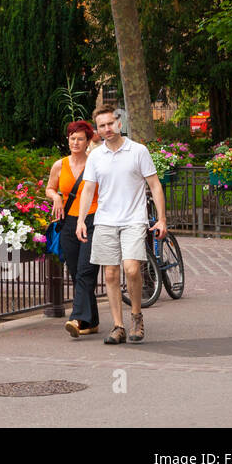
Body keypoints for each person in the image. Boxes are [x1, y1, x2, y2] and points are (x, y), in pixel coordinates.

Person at [76, 105, 167, 344]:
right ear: (98, 129)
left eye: (110, 123)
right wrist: (81, 220)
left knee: (131, 269)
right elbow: (88, 190)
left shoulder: (138, 151)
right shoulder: (95, 155)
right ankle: (118, 326)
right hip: (105, 220)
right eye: (102, 126)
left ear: (119, 123)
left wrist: (161, 218)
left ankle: (136, 316)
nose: (107, 129)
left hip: (133, 219)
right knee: (111, 274)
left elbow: (155, 185)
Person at [48, 120, 99, 337]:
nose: (75, 142)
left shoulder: (96, 164)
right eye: (72, 138)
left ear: (88, 142)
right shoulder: (60, 165)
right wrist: (56, 196)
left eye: (80, 138)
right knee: (76, 272)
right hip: (68, 221)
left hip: (92, 219)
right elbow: (49, 188)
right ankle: (92, 321)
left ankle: (76, 319)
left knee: (86, 270)